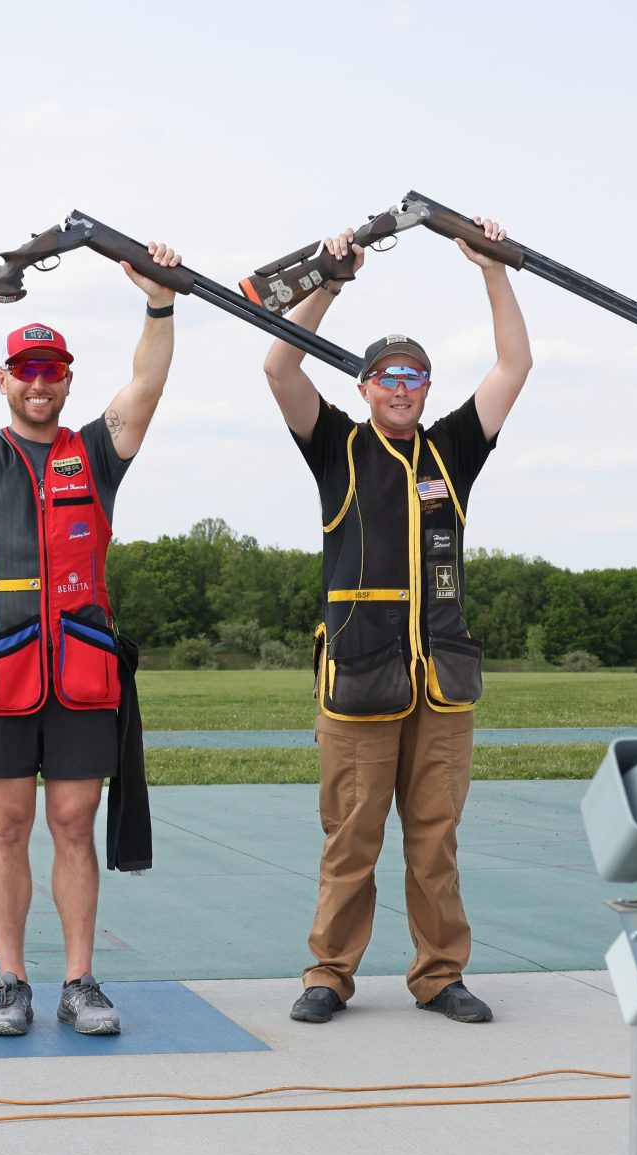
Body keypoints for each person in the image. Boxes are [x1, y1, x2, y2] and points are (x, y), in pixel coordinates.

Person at [262, 218, 531, 1026]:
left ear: (426, 385)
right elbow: (278, 363)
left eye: (414, 374)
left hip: (442, 684)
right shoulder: (336, 447)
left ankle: (440, 975)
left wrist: (491, 269)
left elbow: (515, 364)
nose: (402, 387)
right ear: (365, 387)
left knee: (434, 842)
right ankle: (329, 975)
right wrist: (329, 282)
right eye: (386, 376)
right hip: (359, 680)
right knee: (350, 840)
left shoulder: (454, 449)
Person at [0, 242, 181, 1036]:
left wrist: (159, 301)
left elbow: (146, 384)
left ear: (66, 379)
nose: (39, 383)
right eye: (25, 371)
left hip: (80, 677)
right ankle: (11, 982)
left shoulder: (95, 452)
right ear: (4, 380)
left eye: (52, 371)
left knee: (74, 823)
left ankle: (79, 982)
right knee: (6, 827)